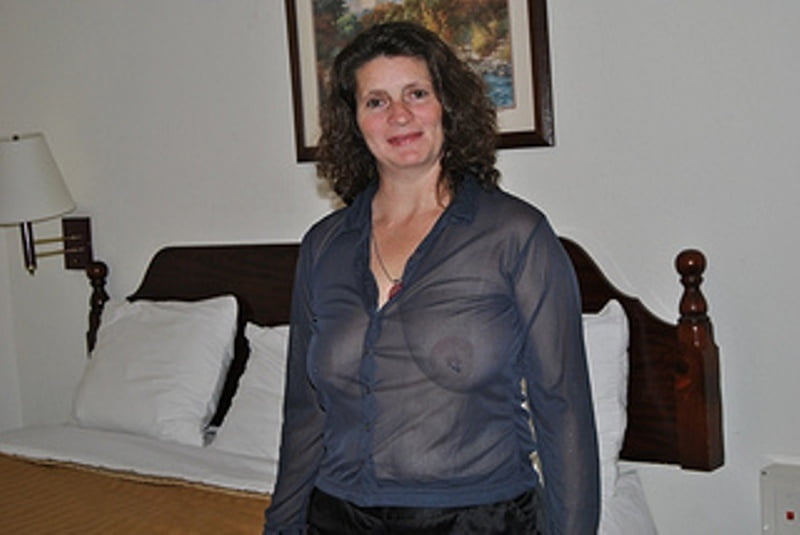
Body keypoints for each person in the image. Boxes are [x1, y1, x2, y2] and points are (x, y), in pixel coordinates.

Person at [264, 21, 599, 534]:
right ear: (355, 122)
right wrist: (281, 526)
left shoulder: (515, 235)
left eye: (416, 93)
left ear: (447, 104)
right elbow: (306, 412)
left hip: (478, 519)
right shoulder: (323, 247)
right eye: (376, 101)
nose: (399, 115)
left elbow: (563, 409)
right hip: (334, 516)